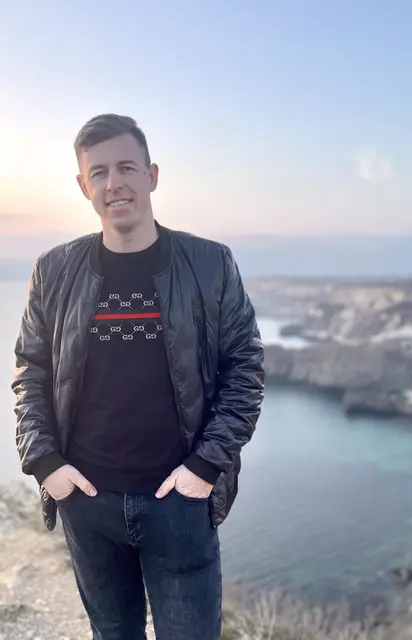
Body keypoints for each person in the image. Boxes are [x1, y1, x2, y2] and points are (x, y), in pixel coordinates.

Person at [11, 114, 265, 640]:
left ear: (152, 175)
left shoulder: (209, 264)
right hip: (87, 504)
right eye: (99, 172)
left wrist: (205, 466)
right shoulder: (53, 271)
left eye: (126, 167)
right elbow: (30, 370)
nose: (114, 183)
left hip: (180, 503)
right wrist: (46, 464)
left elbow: (245, 367)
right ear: (83, 186)